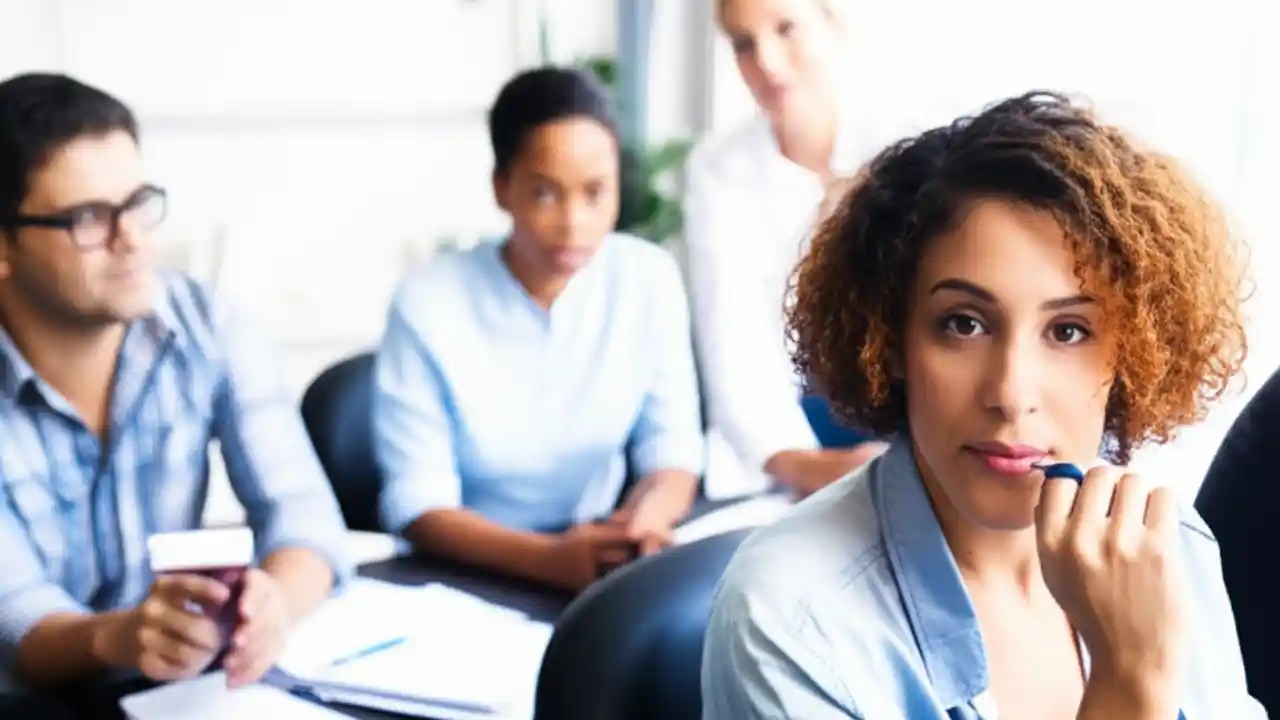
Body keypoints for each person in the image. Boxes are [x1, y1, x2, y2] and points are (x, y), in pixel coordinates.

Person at [701, 92, 1263, 718]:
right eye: (963, 324)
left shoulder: (1170, 548)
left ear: (1132, 356)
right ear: (887, 340)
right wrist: (1132, 678)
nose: (1011, 393)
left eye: (1069, 331)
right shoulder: (793, 617)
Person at [0, 73, 352, 694]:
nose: (132, 239)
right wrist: (118, 637)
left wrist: (273, 603)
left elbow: (305, 520)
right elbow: (15, 624)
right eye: (88, 217)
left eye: (137, 202)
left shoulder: (209, 325)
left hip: (175, 692)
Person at [374, 67, 703, 594]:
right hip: (469, 573)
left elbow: (672, 447)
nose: (574, 222)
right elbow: (418, 503)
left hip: (598, 560)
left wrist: (647, 519)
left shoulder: (648, 278)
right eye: (545, 194)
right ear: (502, 188)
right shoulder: (427, 303)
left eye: (596, 193)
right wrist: (548, 560)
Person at [685, 0, 889, 499]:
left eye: (786, 29)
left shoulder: (909, 137)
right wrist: (800, 465)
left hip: (910, 416)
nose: (767, 63)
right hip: (787, 438)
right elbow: (731, 338)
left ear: (833, 22)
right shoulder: (719, 170)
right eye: (743, 44)